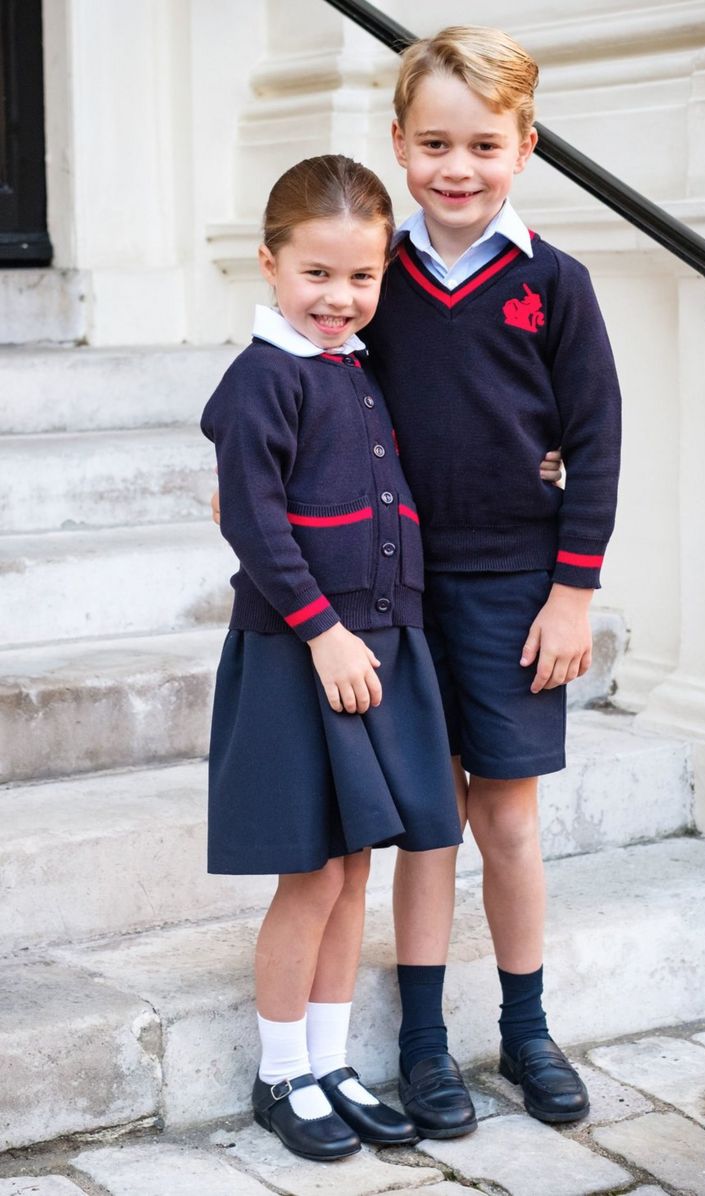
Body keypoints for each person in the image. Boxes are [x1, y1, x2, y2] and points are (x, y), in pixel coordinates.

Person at [360, 25, 622, 1132]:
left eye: (482, 145)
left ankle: (526, 1030)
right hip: (400, 590)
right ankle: (423, 1047)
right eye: (433, 144)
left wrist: (573, 591)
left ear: (525, 147)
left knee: (504, 817)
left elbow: (595, 440)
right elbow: (313, 385)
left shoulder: (554, 283)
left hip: (515, 589)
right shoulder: (374, 276)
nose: (456, 168)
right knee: (429, 820)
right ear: (399, 143)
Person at [200, 153, 466, 1162]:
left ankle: (328, 1059)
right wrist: (323, 631)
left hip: (372, 649)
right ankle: (279, 1073)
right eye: (316, 273)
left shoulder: (351, 364)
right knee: (309, 875)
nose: (338, 297)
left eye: (361, 276)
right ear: (269, 263)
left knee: (354, 869)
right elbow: (257, 526)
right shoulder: (261, 380)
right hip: (301, 653)